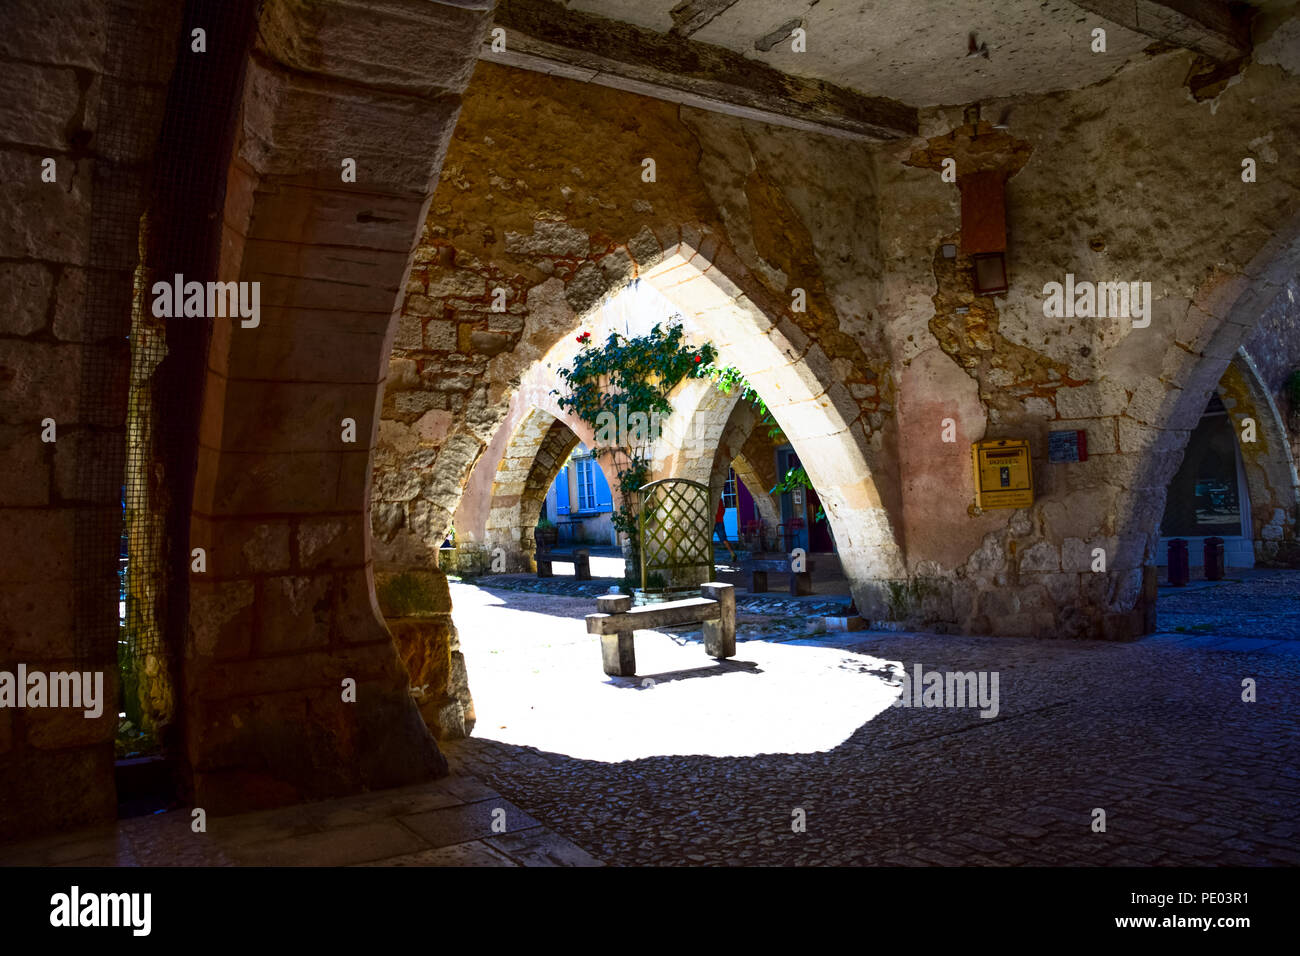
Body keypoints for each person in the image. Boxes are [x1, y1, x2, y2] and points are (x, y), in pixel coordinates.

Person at [714, 497, 736, 562]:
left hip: (713, 521)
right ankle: (732, 553)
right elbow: (723, 510)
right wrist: (720, 517)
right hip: (719, 521)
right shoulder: (720, 500)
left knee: (708, 540)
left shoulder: (712, 499)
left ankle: (708, 557)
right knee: (724, 539)